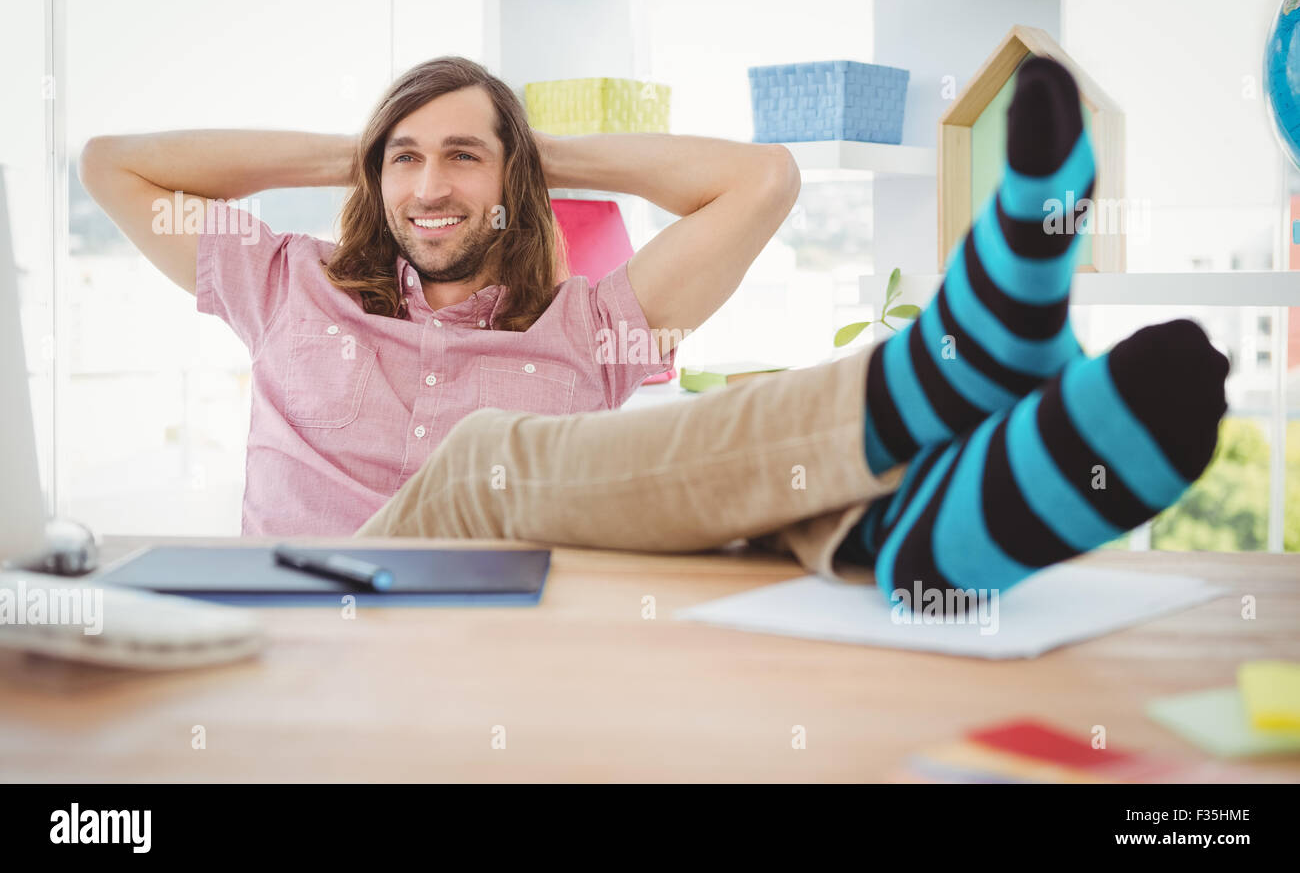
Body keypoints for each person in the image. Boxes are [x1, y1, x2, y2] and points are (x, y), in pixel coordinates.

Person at [80, 56, 1229, 613]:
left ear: (513, 184)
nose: (428, 185)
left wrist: (527, 143)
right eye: (406, 159)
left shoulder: (589, 324)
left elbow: (760, 180)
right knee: (487, 457)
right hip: (307, 612)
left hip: (510, 631)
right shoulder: (284, 281)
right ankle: (952, 362)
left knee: (727, 500)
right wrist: (363, 144)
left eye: (462, 157)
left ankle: (921, 537)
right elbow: (111, 162)